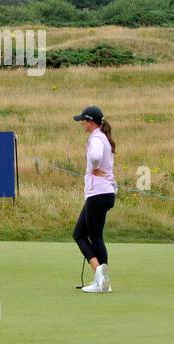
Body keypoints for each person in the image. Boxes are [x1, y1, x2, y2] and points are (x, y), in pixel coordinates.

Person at [72, 106, 117, 293]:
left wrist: (95, 167)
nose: (81, 123)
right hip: (104, 193)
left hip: (98, 193)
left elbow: (96, 156)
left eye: (83, 120)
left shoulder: (97, 138)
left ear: (90, 122)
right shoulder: (102, 136)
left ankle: (101, 281)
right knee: (80, 234)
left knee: (91, 236)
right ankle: (100, 276)